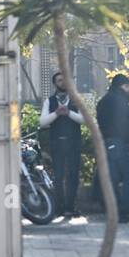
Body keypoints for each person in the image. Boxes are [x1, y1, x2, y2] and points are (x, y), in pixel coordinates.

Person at [40, 71, 84, 219]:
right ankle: (59, 207)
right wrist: (57, 113)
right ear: (55, 83)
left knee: (73, 176)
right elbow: (43, 122)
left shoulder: (76, 100)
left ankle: (71, 207)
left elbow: (84, 119)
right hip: (57, 143)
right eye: (59, 80)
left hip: (74, 143)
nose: (62, 83)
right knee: (58, 176)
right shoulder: (49, 101)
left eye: (65, 80)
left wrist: (69, 113)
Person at [96, 73, 129, 222]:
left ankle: (113, 210)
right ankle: (124, 211)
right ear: (122, 86)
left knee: (112, 179)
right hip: (121, 143)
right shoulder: (121, 102)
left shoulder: (103, 101)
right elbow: (126, 125)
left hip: (107, 143)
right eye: (127, 86)